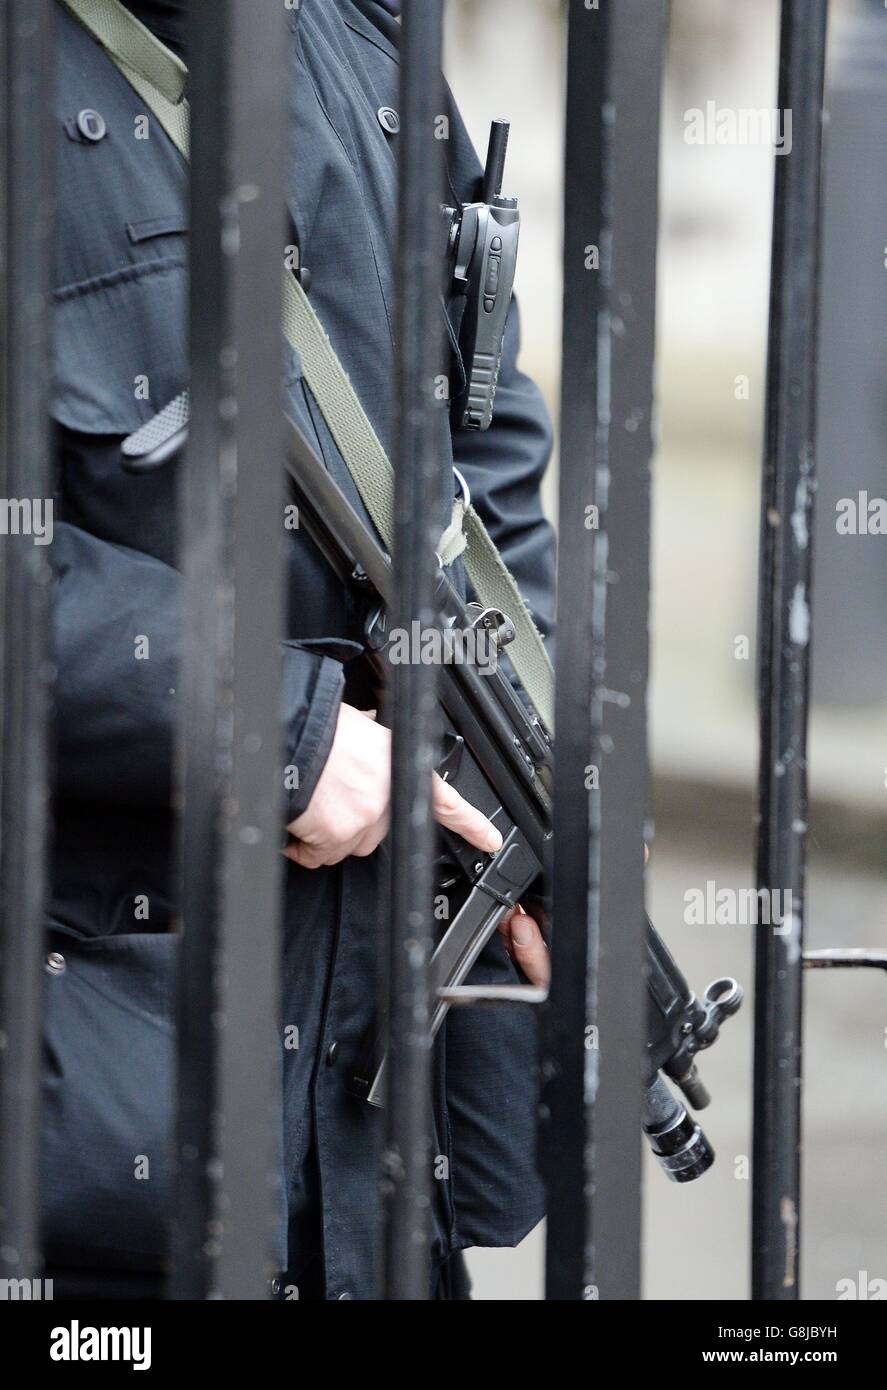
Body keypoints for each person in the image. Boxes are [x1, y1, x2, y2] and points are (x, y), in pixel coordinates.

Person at [44, 0, 555, 1299]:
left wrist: (536, 760)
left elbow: (481, 442)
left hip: (365, 1079)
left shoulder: (370, 27)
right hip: (98, 1065)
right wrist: (259, 721)